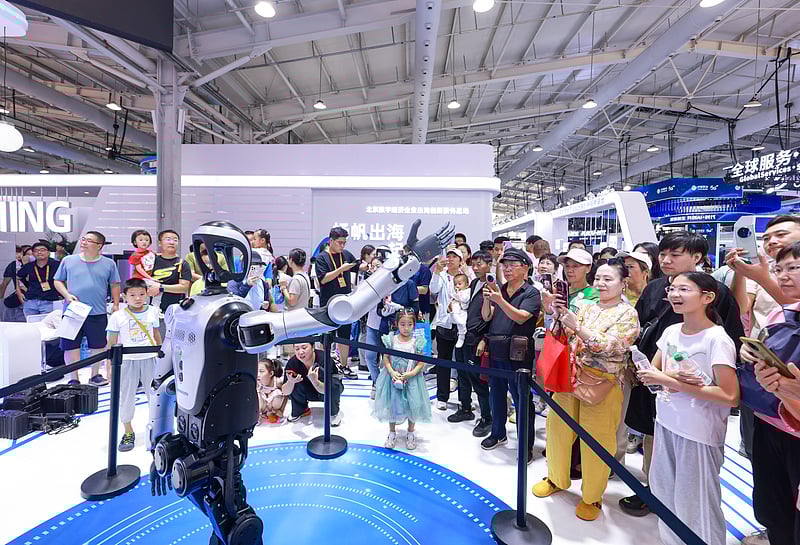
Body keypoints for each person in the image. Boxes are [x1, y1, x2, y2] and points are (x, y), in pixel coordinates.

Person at [620, 231, 744, 517]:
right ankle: (654, 491)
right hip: (654, 383)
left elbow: (731, 341)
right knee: (656, 436)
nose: (665, 260)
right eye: (663, 254)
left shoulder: (716, 298)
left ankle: (679, 509)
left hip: (697, 397)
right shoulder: (655, 288)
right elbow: (642, 326)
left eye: (674, 255)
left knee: (695, 476)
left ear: (697, 257)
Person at [533, 257, 640, 521]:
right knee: (556, 429)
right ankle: (556, 478)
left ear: (623, 283)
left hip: (603, 383)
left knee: (597, 441)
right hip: (570, 377)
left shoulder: (628, 314)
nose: (601, 284)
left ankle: (592, 497)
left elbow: (614, 345)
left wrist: (577, 327)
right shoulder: (587, 306)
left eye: (609, 279)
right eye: (599, 279)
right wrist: (554, 312)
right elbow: (564, 334)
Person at [637, 272, 739, 545]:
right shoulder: (671, 331)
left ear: (707, 297)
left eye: (684, 289)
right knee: (665, 493)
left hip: (699, 432)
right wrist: (652, 376)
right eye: (672, 289)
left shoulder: (717, 339)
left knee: (697, 503)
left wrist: (669, 381)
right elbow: (653, 372)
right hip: (667, 422)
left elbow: (730, 395)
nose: (675, 294)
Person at [742, 240, 800, 545]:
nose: (784, 276)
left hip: (794, 432)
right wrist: (750, 352)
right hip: (769, 420)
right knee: (773, 507)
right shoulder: (782, 315)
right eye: (779, 269)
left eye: (793, 268)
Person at [480, 248, 540, 462]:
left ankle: (526, 444)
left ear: (525, 268)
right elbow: (487, 316)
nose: (507, 269)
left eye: (512, 265)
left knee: (522, 400)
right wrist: (489, 299)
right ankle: (498, 433)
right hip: (496, 349)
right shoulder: (500, 289)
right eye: (504, 265)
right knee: (496, 395)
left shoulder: (531, 293)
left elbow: (522, 318)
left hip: (518, 354)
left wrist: (499, 299)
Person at [53, 231, 120, 385]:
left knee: (97, 345)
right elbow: (57, 281)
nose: (84, 242)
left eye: (89, 240)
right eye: (83, 239)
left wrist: (116, 304)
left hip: (97, 312)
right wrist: (67, 295)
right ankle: (73, 378)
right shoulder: (68, 261)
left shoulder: (109, 264)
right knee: (70, 346)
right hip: (72, 312)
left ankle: (95, 375)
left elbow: (115, 284)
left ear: (99, 246)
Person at [107, 278, 162, 452]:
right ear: (125, 296)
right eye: (132, 295)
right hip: (127, 361)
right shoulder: (118, 316)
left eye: (141, 294)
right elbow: (112, 343)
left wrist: (161, 358)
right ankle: (128, 431)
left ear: (146, 295)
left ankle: (158, 431)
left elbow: (156, 335)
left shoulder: (153, 311)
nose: (137, 298)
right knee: (126, 397)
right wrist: (109, 367)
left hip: (149, 359)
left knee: (155, 397)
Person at [448, 250, 493, 437]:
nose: (476, 267)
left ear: (489, 264)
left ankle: (487, 418)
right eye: (474, 264)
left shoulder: (493, 285)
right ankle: (465, 408)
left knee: (478, 380)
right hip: (465, 336)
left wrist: (484, 339)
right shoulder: (474, 282)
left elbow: (493, 316)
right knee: (463, 375)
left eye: (480, 263)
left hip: (478, 338)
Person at [374, 308, 431, 450]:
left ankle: (410, 433)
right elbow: (386, 358)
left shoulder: (417, 341)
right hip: (392, 378)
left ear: (414, 325)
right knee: (392, 404)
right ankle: (392, 433)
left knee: (413, 405)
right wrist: (392, 372)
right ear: (397, 324)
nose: (406, 328)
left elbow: (421, 362)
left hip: (412, 379)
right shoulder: (391, 339)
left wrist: (411, 374)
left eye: (410, 324)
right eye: (403, 324)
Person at [315, 226, 360, 374]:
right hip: (328, 303)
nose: (342, 246)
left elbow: (358, 266)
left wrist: (368, 266)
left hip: (345, 302)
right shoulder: (322, 257)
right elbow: (323, 279)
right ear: (331, 241)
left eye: (344, 243)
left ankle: (344, 365)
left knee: (345, 334)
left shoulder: (346, 254)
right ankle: (323, 364)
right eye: (339, 242)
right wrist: (341, 269)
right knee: (327, 334)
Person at [430, 247, 466, 410]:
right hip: (444, 323)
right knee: (443, 361)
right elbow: (433, 290)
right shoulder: (441, 275)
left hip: (462, 325)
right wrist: (437, 271)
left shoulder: (466, 276)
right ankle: (442, 397)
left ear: (460, 260)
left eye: (454, 257)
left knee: (462, 363)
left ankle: (464, 399)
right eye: (449, 256)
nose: (450, 259)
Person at [282, 342, 344, 426]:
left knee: (333, 386)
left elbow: (326, 390)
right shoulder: (293, 363)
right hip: (308, 391)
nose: (300, 352)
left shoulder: (324, 359)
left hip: (324, 390)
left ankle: (333, 413)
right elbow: (285, 392)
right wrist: (291, 382)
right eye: (297, 349)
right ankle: (300, 410)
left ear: (313, 347)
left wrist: (315, 381)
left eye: (304, 348)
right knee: (294, 383)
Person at [146, 230, 192, 334]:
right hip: (149, 309)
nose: (172, 242)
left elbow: (184, 287)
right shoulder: (151, 260)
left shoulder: (182, 263)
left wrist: (161, 287)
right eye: (168, 239)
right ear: (159, 243)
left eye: (175, 240)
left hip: (173, 311)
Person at [16, 242, 61, 317]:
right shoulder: (29, 266)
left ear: (48, 252)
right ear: (33, 253)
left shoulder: (56, 265)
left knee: (47, 326)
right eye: (36, 251)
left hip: (50, 301)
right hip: (31, 301)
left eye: (42, 250)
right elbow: (17, 277)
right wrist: (19, 293)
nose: (39, 252)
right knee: (31, 326)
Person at [558, 248, 599, 313]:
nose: (569, 270)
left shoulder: (593, 294)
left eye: (575, 266)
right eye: (567, 266)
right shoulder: (562, 292)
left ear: (588, 268)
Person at [257, 356, 287, 424]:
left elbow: (286, 395)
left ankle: (274, 413)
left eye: (261, 371)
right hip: (263, 407)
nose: (258, 374)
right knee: (256, 393)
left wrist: (281, 410)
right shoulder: (258, 382)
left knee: (278, 393)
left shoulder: (278, 382)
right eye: (257, 371)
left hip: (274, 407)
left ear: (271, 373)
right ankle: (260, 414)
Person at [2, 246, 26, 322]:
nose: (19, 255)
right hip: (19, 296)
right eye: (16, 253)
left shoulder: (31, 265)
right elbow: (4, 284)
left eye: (20, 253)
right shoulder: (13, 265)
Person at [450, 273, 470, 349]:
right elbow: (454, 297)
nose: (457, 286)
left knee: (462, 324)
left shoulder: (468, 291)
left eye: (459, 284)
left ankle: (462, 335)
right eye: (455, 284)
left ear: (467, 284)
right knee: (454, 305)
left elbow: (464, 299)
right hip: (458, 312)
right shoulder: (457, 292)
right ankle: (461, 335)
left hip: (464, 312)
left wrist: (458, 294)